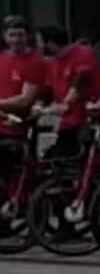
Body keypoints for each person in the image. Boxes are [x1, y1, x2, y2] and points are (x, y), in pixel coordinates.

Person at [0, 18, 57, 185]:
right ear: (5, 37)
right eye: (12, 35)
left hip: (17, 127)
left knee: (18, 175)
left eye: (20, 35)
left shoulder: (35, 62)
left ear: (27, 37)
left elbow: (26, 100)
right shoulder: (2, 59)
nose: (16, 40)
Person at [39, 26, 100, 160]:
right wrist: (39, 105)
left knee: (72, 158)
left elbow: (82, 78)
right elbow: (48, 89)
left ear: (49, 43)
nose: (38, 47)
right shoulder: (53, 63)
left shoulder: (82, 53)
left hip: (85, 117)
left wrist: (67, 102)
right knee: (55, 158)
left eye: (40, 42)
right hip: (68, 120)